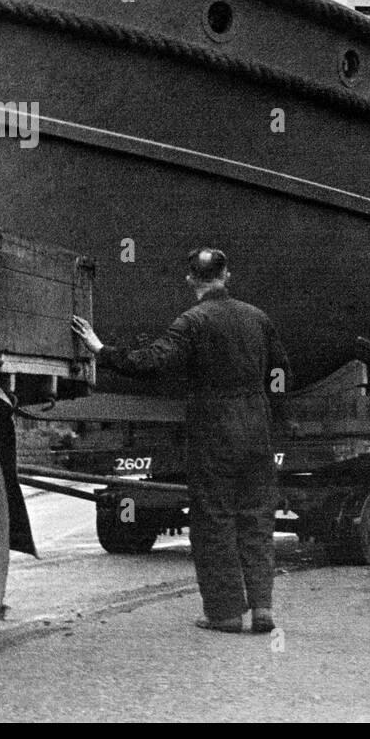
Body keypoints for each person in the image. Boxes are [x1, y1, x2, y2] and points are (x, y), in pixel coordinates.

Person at [72, 247, 290, 634]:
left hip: (213, 433)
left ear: (191, 280)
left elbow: (151, 363)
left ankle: (225, 614)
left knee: (214, 522)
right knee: (256, 521)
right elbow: (281, 372)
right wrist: (267, 410)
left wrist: (101, 351)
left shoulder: (192, 322)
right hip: (257, 431)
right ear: (228, 276)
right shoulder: (258, 318)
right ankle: (262, 609)